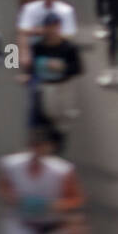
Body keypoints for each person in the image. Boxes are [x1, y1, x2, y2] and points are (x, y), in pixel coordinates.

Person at [25, 12, 83, 144]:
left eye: (54, 26)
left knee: (62, 122)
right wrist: (28, 75)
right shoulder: (38, 47)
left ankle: (58, 144)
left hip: (64, 87)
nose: (51, 30)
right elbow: (32, 67)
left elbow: (78, 68)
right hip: (46, 86)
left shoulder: (69, 48)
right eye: (48, 26)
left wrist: (62, 67)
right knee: (47, 116)